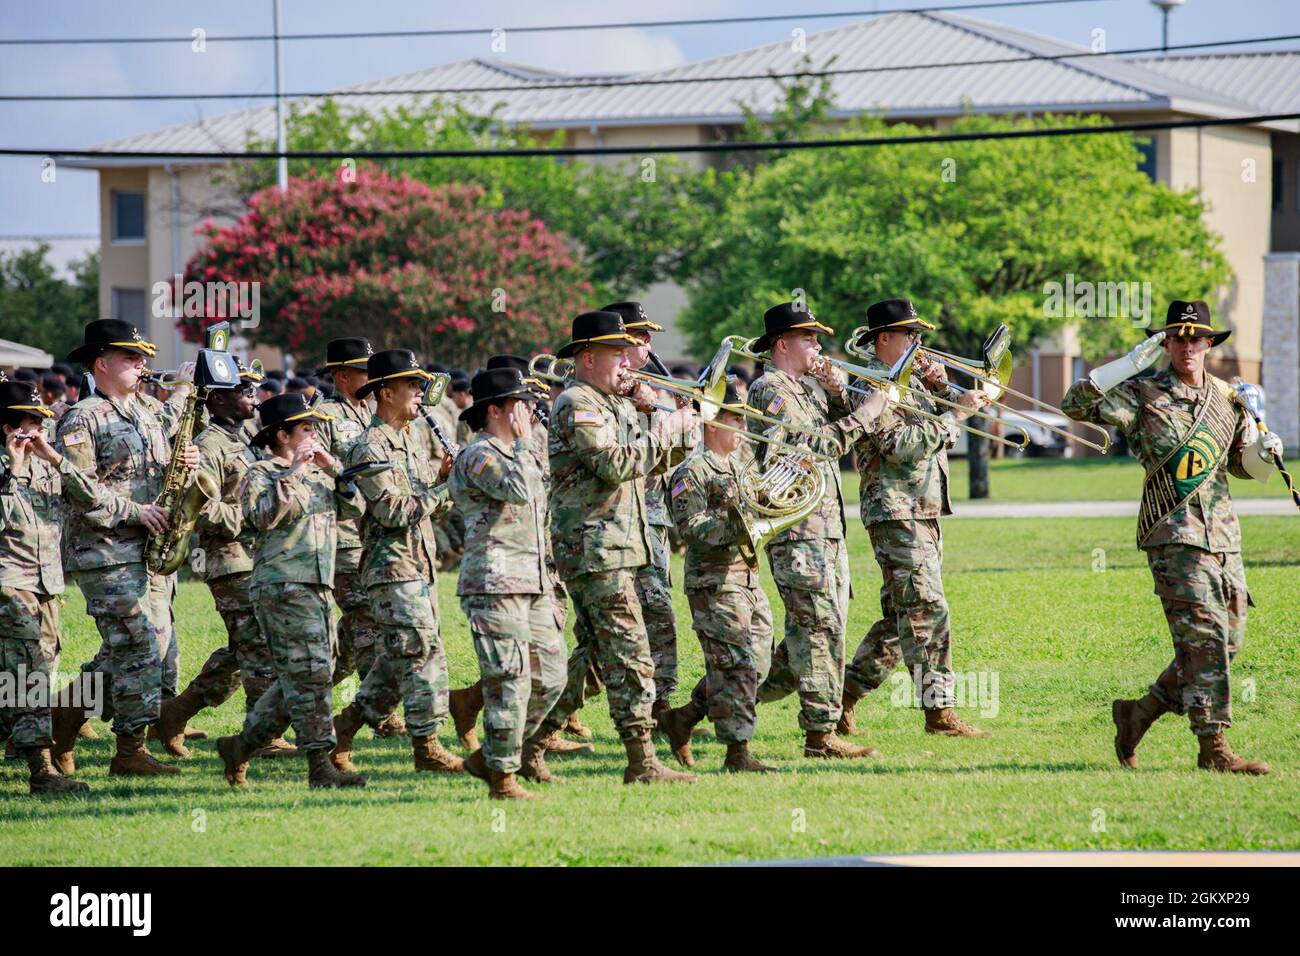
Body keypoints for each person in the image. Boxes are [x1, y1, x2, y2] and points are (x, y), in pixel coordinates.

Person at [1062, 300, 1276, 775]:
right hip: (1173, 534)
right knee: (1204, 638)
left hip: (1223, 536)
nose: (1186, 346)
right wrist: (1126, 365)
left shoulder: (1227, 397)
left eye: (1194, 337)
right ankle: (1213, 747)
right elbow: (1073, 404)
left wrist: (1263, 451)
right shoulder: (1142, 393)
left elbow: (1239, 465)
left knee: (1227, 640)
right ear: (1165, 343)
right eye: (1176, 338)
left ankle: (1138, 714)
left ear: (1208, 343)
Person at [534, 311, 698, 784]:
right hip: (594, 546)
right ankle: (641, 760)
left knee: (597, 656)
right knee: (629, 654)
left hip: (622, 544)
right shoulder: (576, 403)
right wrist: (665, 429)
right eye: (616, 354)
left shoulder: (616, 404)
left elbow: (653, 465)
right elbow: (613, 464)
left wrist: (678, 427)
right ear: (588, 358)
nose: (628, 363)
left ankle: (528, 743)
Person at [838, 299, 992, 744]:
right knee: (928, 608)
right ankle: (939, 711)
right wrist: (955, 413)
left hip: (923, 508)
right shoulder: (869, 385)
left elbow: (942, 420)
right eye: (910, 334)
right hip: (894, 509)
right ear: (883, 338)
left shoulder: (912, 382)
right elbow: (900, 444)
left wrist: (942, 390)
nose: (918, 343)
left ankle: (843, 697)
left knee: (900, 617)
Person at [51, 320, 197, 776]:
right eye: (132, 358)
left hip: (146, 547)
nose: (143, 365)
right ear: (101, 363)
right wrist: (135, 512)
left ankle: (66, 716)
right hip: (104, 548)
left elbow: (158, 470)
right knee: (138, 646)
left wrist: (186, 461)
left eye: (143, 358)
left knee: (138, 645)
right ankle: (129, 752)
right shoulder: (83, 418)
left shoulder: (146, 411)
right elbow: (78, 488)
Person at [745, 302, 887, 758]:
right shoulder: (771, 390)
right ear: (783, 344)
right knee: (819, 629)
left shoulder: (805, 389)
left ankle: (704, 706)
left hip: (824, 528)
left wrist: (840, 392)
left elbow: (843, 435)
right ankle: (820, 736)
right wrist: (866, 412)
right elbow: (813, 448)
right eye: (809, 338)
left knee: (813, 633)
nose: (819, 345)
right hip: (797, 531)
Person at [214, 392, 366, 789]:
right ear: (282, 435)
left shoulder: (319, 472)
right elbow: (264, 517)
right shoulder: (261, 472)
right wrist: (293, 472)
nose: (314, 435)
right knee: (311, 674)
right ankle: (320, 763)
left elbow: (356, 509)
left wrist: (337, 471)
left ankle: (242, 745)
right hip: (281, 585)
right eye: (306, 428)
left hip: (316, 583)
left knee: (310, 673)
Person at [330, 349, 465, 776]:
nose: (420, 393)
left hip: (418, 563)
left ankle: (342, 728)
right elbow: (392, 511)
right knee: (423, 652)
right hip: (391, 568)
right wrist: (442, 491)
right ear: (385, 391)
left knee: (396, 659)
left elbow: (425, 507)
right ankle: (427, 746)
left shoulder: (408, 438)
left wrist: (443, 481)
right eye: (412, 385)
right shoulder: (368, 446)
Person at [152, 359, 293, 758]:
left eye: (252, 388)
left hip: (257, 558)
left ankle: (174, 713)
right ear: (217, 399)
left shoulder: (244, 438)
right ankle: (263, 734)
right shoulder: (210, 444)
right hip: (231, 562)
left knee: (242, 648)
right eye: (242, 390)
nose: (252, 395)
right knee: (260, 645)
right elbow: (202, 509)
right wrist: (252, 516)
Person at [450, 368, 566, 798]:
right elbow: (517, 490)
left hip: (532, 581)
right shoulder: (479, 455)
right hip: (493, 583)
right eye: (519, 403)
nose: (530, 409)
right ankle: (502, 778)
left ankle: (493, 755)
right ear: (495, 410)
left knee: (552, 677)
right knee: (509, 680)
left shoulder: (523, 450)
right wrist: (521, 441)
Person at [657, 381, 778, 772]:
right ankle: (737, 752)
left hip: (746, 577)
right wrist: (738, 528)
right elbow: (690, 527)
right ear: (711, 422)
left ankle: (685, 717)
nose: (741, 426)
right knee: (737, 664)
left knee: (757, 664)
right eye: (733, 418)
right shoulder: (692, 470)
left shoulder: (743, 464)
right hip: (713, 582)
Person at [0, 378, 93, 793]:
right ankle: (41, 769)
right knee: (29, 670)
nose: (37, 429)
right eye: (28, 421)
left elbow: (91, 498)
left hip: (45, 580)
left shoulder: (44, 459)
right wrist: (15, 471)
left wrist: (53, 457)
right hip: (9, 580)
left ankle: (16, 744)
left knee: (42, 664)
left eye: (41, 421)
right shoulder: (8, 467)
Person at [312, 338, 393, 735]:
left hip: (375, 534)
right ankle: (379, 713)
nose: (371, 377)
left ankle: (303, 698)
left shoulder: (376, 414)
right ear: (341, 375)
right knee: (366, 618)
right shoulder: (323, 417)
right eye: (364, 370)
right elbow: (313, 472)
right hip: (343, 535)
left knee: (351, 636)